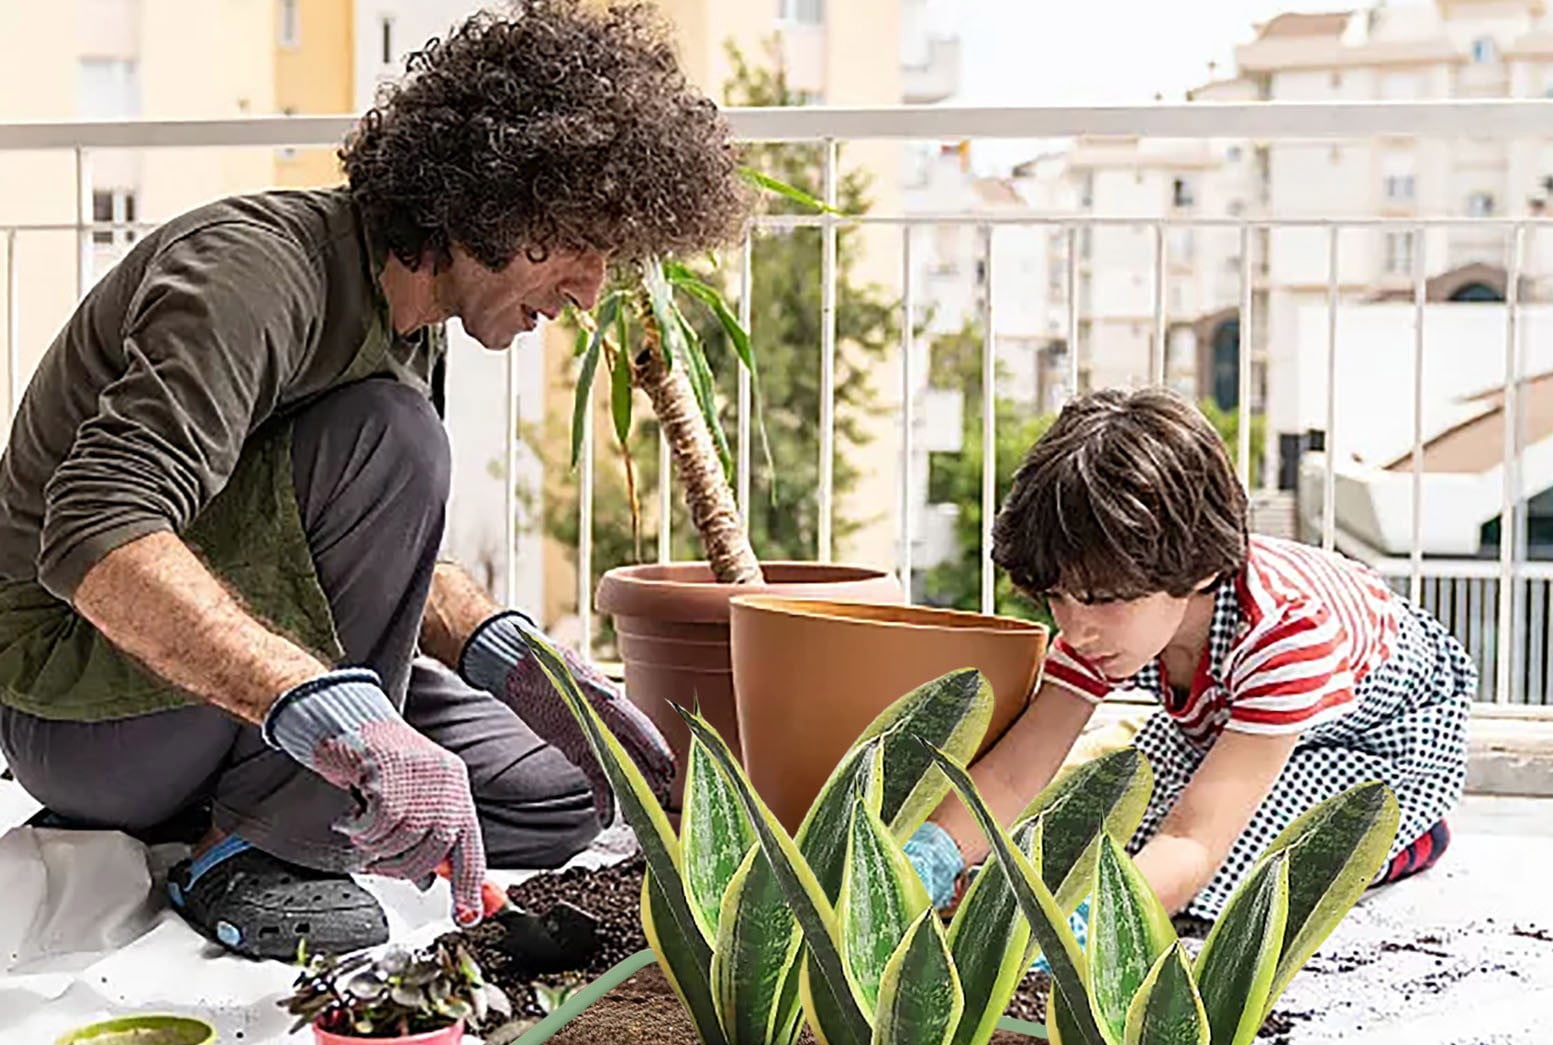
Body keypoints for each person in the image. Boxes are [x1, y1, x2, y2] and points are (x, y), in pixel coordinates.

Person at [0, 0, 750, 960]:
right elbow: (97, 533)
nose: (588, 291)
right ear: (494, 194)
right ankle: (253, 848)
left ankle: (239, 808)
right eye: (575, 242)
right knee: (395, 437)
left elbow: (345, 540)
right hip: (82, 713)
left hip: (222, 692)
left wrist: (524, 666)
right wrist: (336, 719)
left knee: (561, 789)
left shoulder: (411, 325)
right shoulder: (253, 275)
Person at [906, 387, 1476, 926]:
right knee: (1112, 820)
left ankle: (1413, 834)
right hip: (1236, 715)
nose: (1074, 626)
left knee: (1239, 866)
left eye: (1102, 600)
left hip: (1383, 738)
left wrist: (1087, 924)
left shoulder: (1287, 633)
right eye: (1056, 596)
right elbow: (1014, 772)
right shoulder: (1106, 618)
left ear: (1198, 568)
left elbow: (1194, 840)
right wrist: (925, 859)